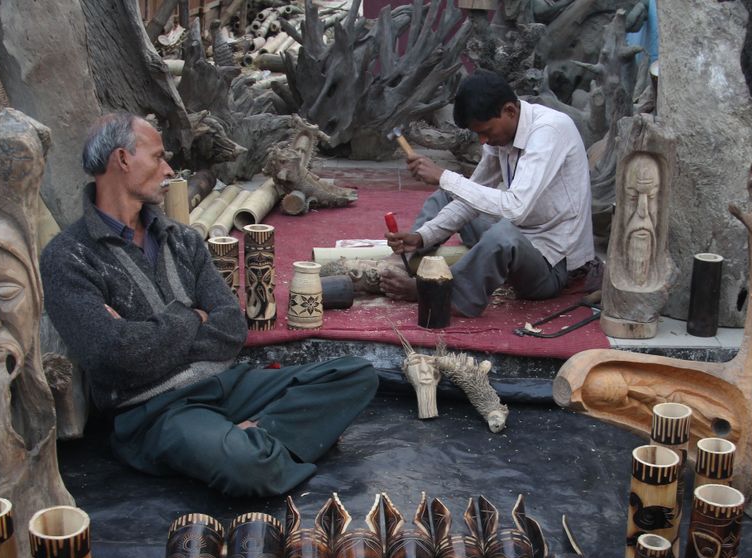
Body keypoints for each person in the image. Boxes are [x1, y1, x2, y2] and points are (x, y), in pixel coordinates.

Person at [40, 113, 378, 497]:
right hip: (154, 411)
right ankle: (257, 445)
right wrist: (192, 318)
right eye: (157, 157)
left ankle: (258, 433)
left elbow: (232, 326)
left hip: (223, 384)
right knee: (250, 467)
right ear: (121, 159)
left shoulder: (181, 238)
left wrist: (147, 335)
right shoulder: (69, 257)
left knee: (356, 374)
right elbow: (111, 355)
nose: (168, 169)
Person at [381, 70, 597, 316]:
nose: (483, 141)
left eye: (486, 131)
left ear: (510, 111)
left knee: (503, 234)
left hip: (554, 265)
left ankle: (437, 293)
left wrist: (444, 176)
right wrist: (422, 236)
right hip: (521, 238)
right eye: (478, 134)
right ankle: (409, 256)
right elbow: (468, 201)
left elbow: (515, 207)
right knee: (448, 196)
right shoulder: (502, 136)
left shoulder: (549, 130)